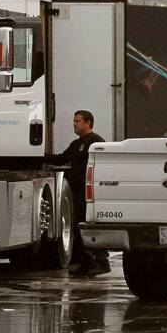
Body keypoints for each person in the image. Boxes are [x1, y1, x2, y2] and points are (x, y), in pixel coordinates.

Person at [49, 110, 110, 277]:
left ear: (88, 123)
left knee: (91, 226)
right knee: (80, 228)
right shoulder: (77, 144)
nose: (74, 124)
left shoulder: (96, 143)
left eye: (77, 121)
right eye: (74, 121)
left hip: (89, 194)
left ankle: (102, 261)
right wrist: (38, 157)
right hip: (77, 193)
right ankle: (85, 263)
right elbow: (61, 159)